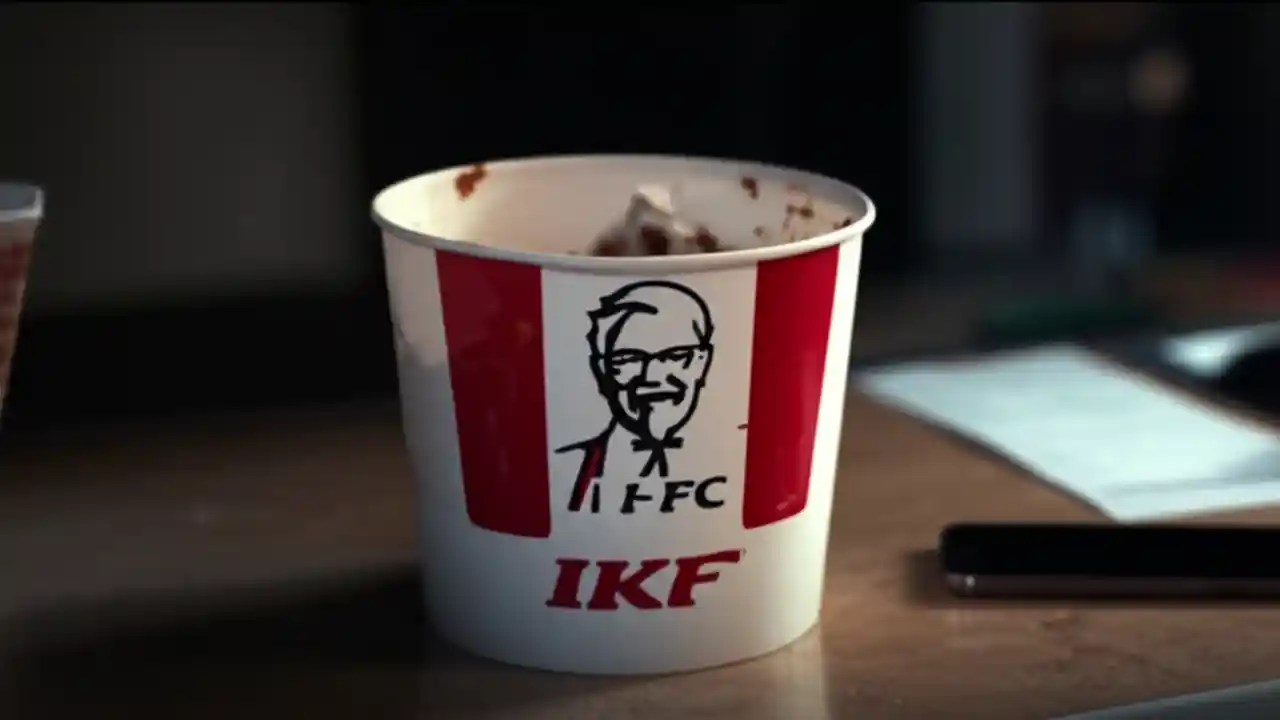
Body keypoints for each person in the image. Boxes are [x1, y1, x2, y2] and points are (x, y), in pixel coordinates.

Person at [558, 281, 715, 513]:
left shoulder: (743, 462)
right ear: (601, 371)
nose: (652, 377)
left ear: (702, 363)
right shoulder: (560, 469)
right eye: (629, 359)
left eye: (675, 356)